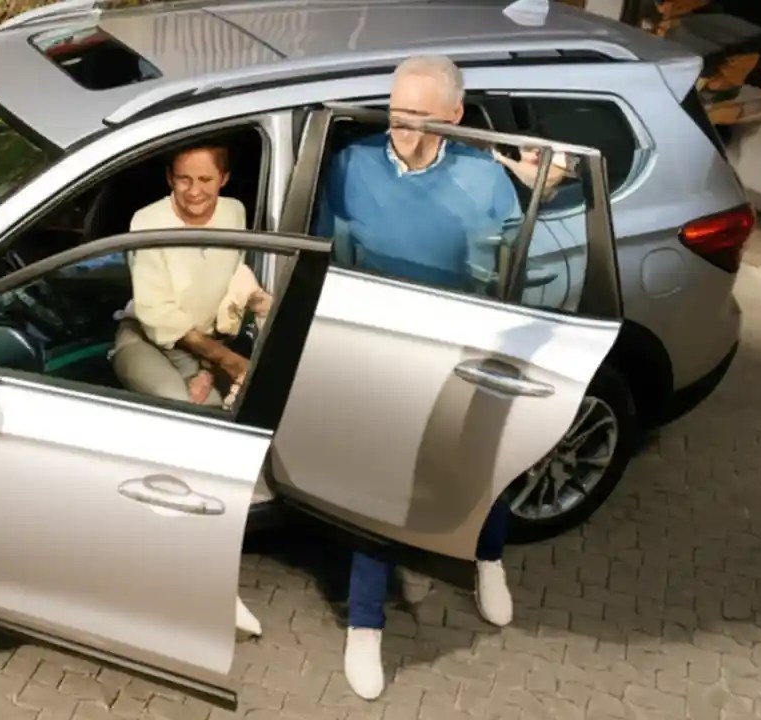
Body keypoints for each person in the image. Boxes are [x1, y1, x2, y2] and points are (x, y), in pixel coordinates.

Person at [311, 54, 523, 700]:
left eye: (417, 115)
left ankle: (487, 560)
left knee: (486, 464)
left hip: (459, 346)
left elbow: (514, 271)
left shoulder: (486, 178)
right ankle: (367, 626)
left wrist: (547, 186)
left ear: (454, 117)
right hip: (379, 347)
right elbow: (324, 257)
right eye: (394, 110)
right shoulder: (352, 167)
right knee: (378, 487)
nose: (399, 125)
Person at [110, 144, 271, 637]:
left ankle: (197, 576)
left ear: (223, 180)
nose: (194, 192)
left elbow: (231, 291)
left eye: (205, 180)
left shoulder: (235, 213)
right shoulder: (147, 221)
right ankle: (188, 582)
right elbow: (158, 316)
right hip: (145, 339)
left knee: (225, 435)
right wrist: (216, 363)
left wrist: (214, 362)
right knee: (185, 419)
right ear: (169, 178)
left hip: (204, 347)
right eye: (183, 180)